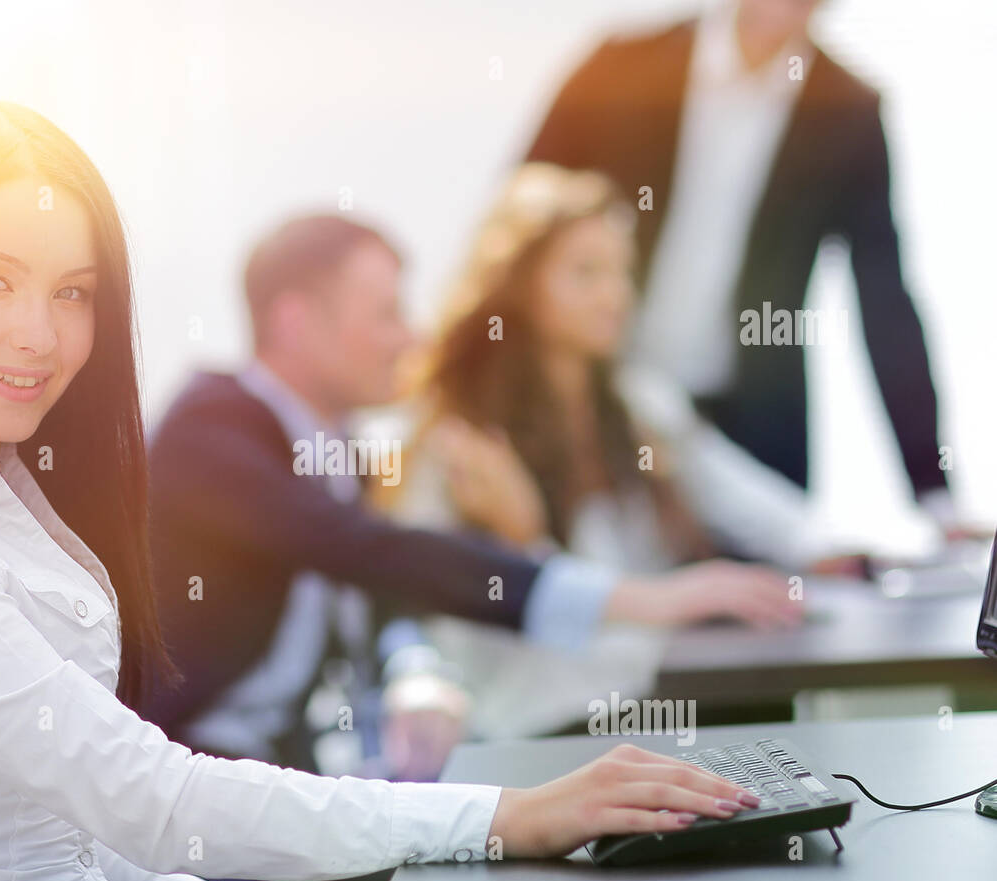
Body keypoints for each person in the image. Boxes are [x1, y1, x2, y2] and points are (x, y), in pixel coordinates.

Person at [0, 101, 758, 881]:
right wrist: (506, 814)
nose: (38, 335)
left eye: (74, 292)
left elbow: (69, 845)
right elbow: (149, 797)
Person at [145, 212, 802, 785]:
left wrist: (415, 671)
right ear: (295, 322)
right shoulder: (210, 430)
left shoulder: (336, 446)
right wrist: (652, 598)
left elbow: (382, 604)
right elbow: (373, 552)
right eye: (387, 314)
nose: (411, 338)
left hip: (282, 776)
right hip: (179, 784)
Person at [382, 164, 860, 735]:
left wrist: (841, 552)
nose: (614, 295)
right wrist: (523, 536)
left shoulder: (638, 405)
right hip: (532, 719)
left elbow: (747, 500)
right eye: (586, 273)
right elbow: (434, 601)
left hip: (638, 692)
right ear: (519, 284)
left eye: (621, 273)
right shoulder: (458, 432)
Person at [524, 0, 962, 535]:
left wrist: (933, 488)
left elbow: (884, 298)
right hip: (594, 411)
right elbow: (518, 223)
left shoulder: (846, 107)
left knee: (777, 591)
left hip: (755, 431)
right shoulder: (622, 67)